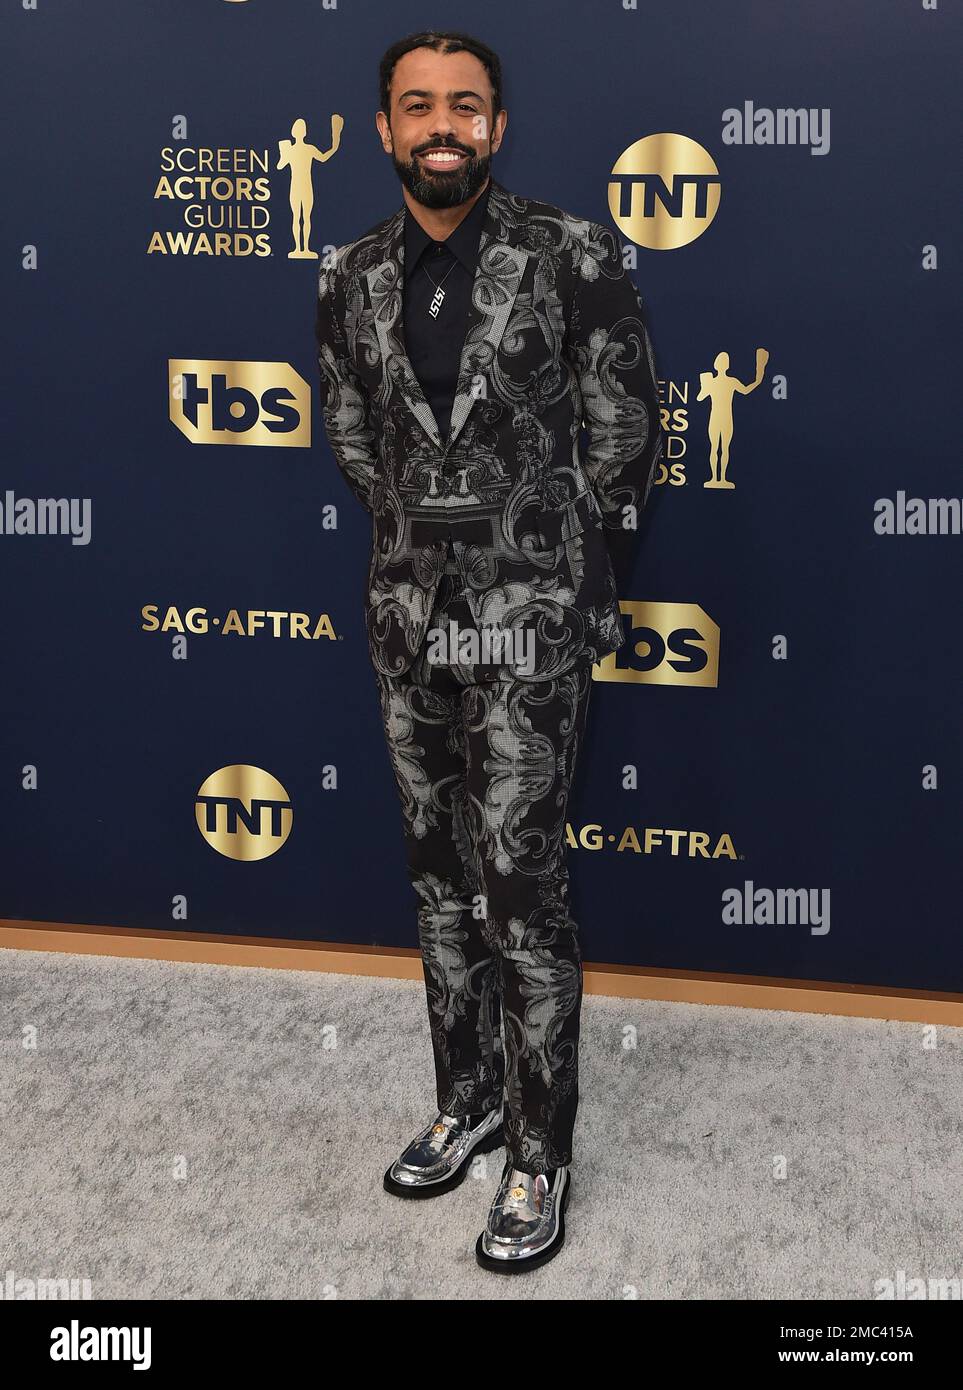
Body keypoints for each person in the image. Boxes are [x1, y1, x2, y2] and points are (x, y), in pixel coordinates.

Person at [315, 28, 665, 1273]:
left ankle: (540, 1148)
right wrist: (425, 539)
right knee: (436, 880)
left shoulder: (572, 251)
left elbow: (630, 426)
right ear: (385, 129)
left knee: (523, 889)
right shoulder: (350, 272)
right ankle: (464, 1100)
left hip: (530, 628)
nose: (443, 125)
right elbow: (351, 429)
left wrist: (552, 561)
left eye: (466, 105)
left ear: (499, 126)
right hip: (409, 622)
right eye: (419, 107)